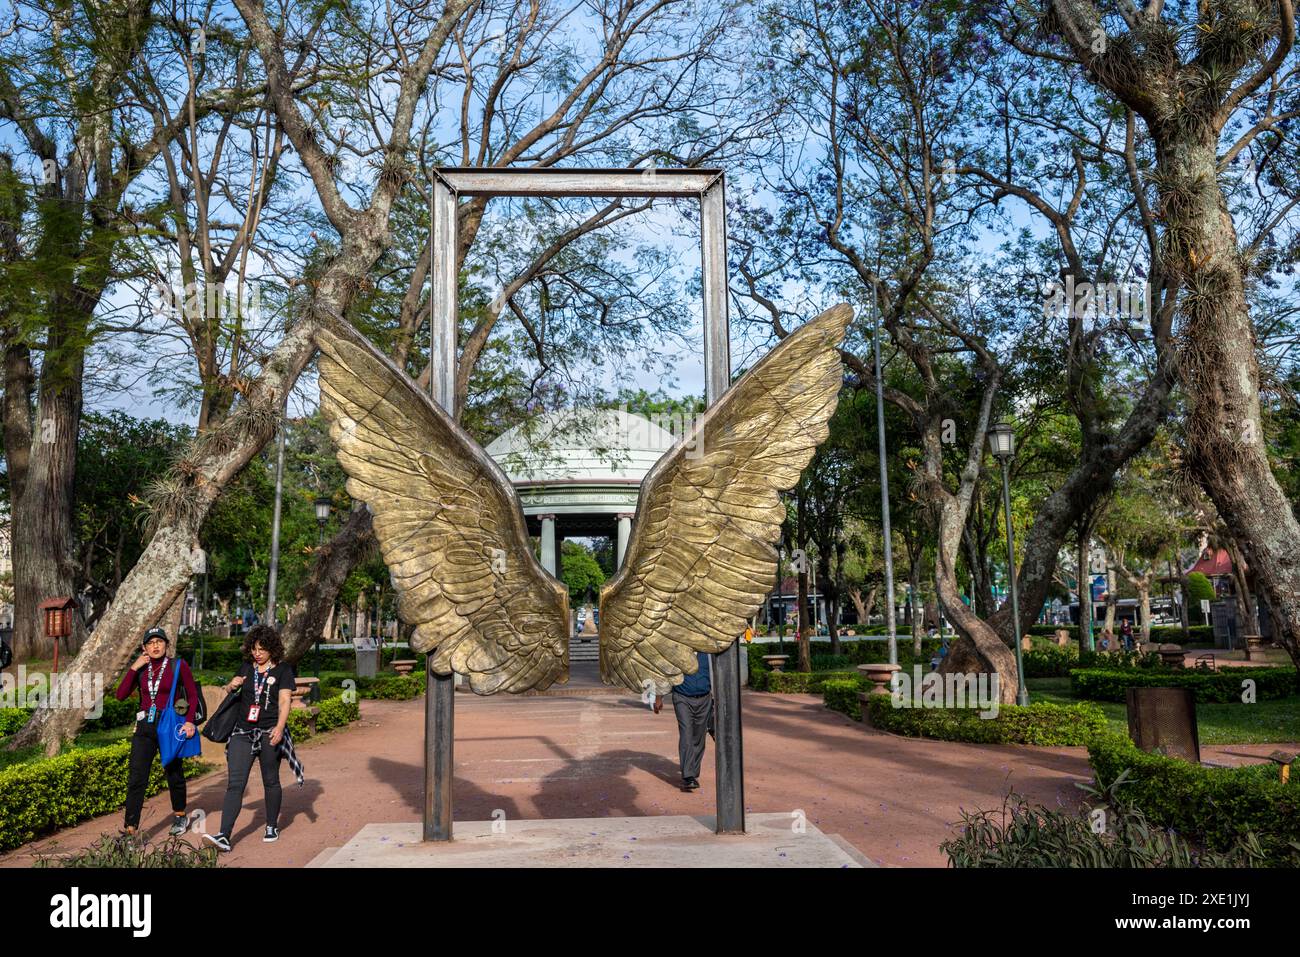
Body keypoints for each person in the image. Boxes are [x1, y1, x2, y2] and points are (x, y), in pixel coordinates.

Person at [204, 625, 300, 851]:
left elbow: (285, 701)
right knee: (235, 784)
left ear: (272, 649)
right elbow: (230, 691)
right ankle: (224, 835)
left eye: (262, 649)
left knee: (271, 780)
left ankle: (271, 825)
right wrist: (231, 685)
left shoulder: (283, 670)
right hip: (242, 732)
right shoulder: (247, 667)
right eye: (254, 649)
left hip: (269, 732)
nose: (257, 653)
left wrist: (280, 727)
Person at [115, 627, 198, 837]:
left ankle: (180, 815)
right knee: (137, 777)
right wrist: (134, 667)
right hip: (145, 727)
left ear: (166, 645)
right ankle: (130, 828)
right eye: (150, 643)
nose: (155, 646)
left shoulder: (177, 666)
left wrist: (189, 722)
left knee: (174, 772)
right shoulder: (142, 669)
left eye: (159, 642)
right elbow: (121, 695)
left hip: (169, 726)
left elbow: (192, 695)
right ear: (144, 647)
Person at [653, 651, 714, 791]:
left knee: (699, 737)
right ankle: (688, 776)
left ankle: (693, 771)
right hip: (682, 698)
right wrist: (659, 698)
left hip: (704, 698)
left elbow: (717, 675)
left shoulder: (708, 654)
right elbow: (665, 674)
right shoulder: (677, 651)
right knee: (686, 733)